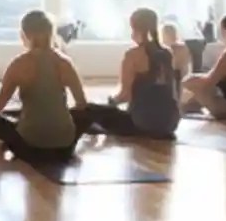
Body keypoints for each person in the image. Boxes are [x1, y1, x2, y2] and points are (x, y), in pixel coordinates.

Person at [0, 11, 90, 160]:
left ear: (24, 35)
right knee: (89, 112)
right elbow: (82, 104)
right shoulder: (64, 62)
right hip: (64, 149)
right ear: (52, 33)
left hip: (30, 148)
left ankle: (11, 142)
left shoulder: (18, 64)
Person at [75, 8, 181, 139]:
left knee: (89, 109)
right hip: (170, 124)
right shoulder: (167, 53)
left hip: (141, 124)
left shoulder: (132, 55)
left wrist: (111, 101)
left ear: (135, 29)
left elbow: (125, 95)